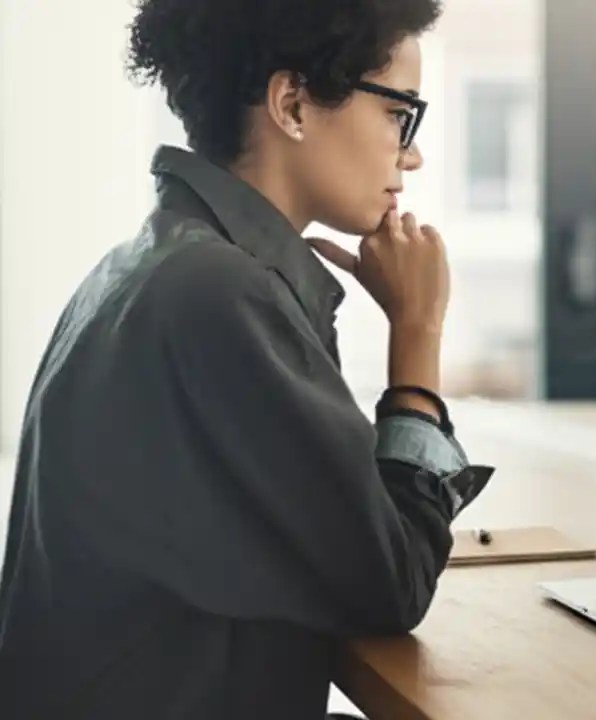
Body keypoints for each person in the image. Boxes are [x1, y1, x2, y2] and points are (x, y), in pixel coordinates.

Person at [0, 1, 492, 717]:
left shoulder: (156, 263)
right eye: (399, 115)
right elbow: (392, 584)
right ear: (292, 104)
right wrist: (417, 333)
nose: (411, 153)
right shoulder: (221, 296)